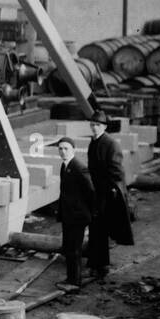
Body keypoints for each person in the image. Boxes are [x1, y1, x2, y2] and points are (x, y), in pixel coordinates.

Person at [86, 109, 133, 278]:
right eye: (92, 125)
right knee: (95, 228)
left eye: (97, 125)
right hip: (95, 191)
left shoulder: (111, 144)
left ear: (104, 126)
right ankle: (95, 263)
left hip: (106, 193)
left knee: (101, 229)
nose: (94, 128)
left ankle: (101, 266)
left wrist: (113, 189)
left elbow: (117, 171)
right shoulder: (94, 142)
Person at [55, 136, 96, 290]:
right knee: (68, 248)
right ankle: (71, 278)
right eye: (60, 148)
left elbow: (91, 192)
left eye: (66, 148)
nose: (63, 151)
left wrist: (88, 213)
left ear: (73, 150)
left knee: (74, 249)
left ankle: (74, 281)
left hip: (77, 216)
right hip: (68, 215)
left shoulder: (79, 167)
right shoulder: (64, 166)